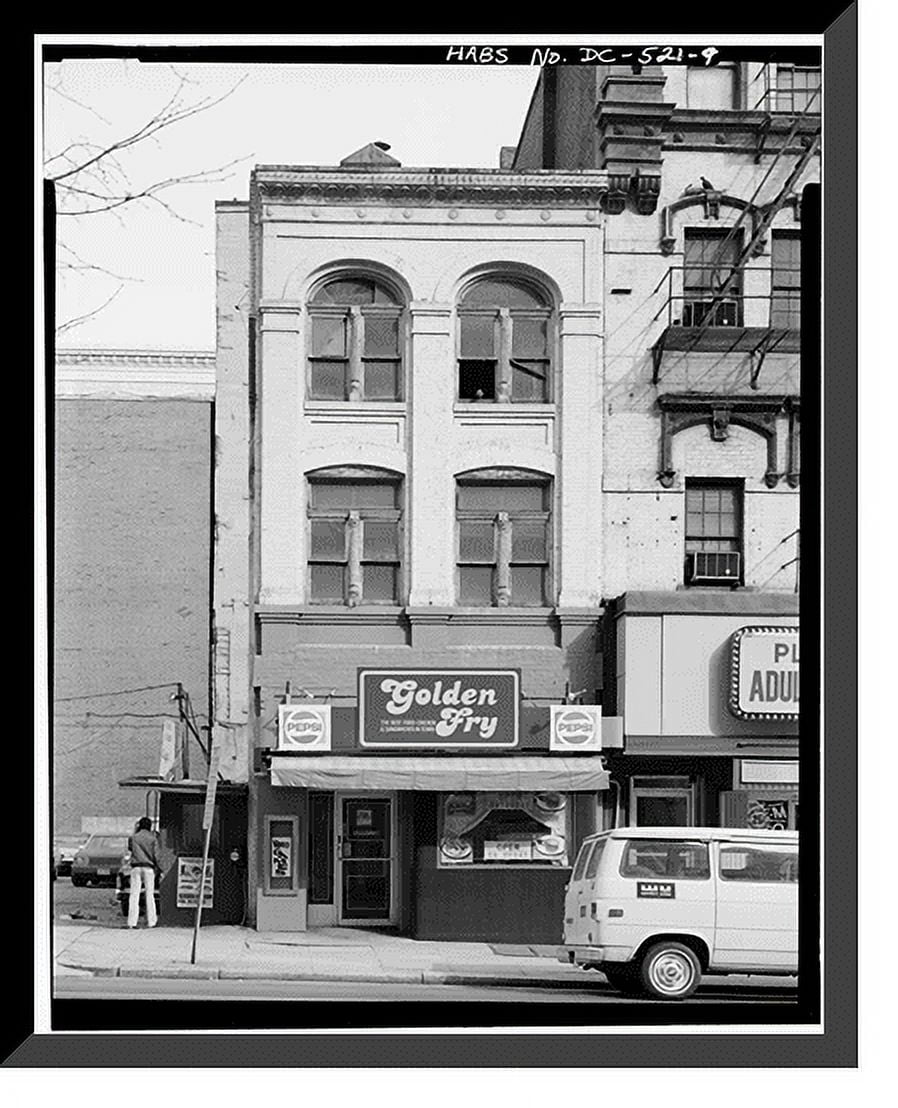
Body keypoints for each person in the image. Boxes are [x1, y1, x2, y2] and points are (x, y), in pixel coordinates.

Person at [127, 816, 161, 929]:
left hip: (136, 868)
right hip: (148, 868)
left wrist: (135, 830)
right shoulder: (153, 838)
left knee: (134, 895)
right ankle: (151, 922)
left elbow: (130, 848)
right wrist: (159, 868)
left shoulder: (134, 837)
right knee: (149, 895)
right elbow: (156, 855)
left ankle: (132, 923)